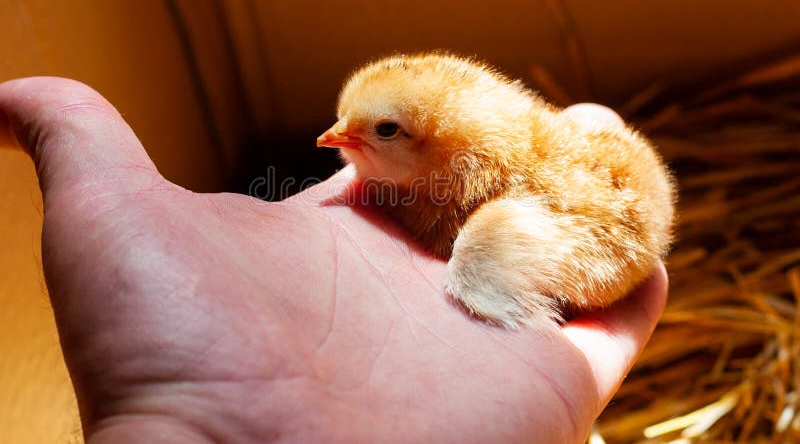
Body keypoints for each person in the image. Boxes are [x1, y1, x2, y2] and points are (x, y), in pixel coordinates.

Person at [0, 77, 667, 443]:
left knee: (484, 262)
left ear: (442, 148)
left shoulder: (494, 224)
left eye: (381, 131)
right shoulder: (436, 189)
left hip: (567, 220)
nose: (334, 139)